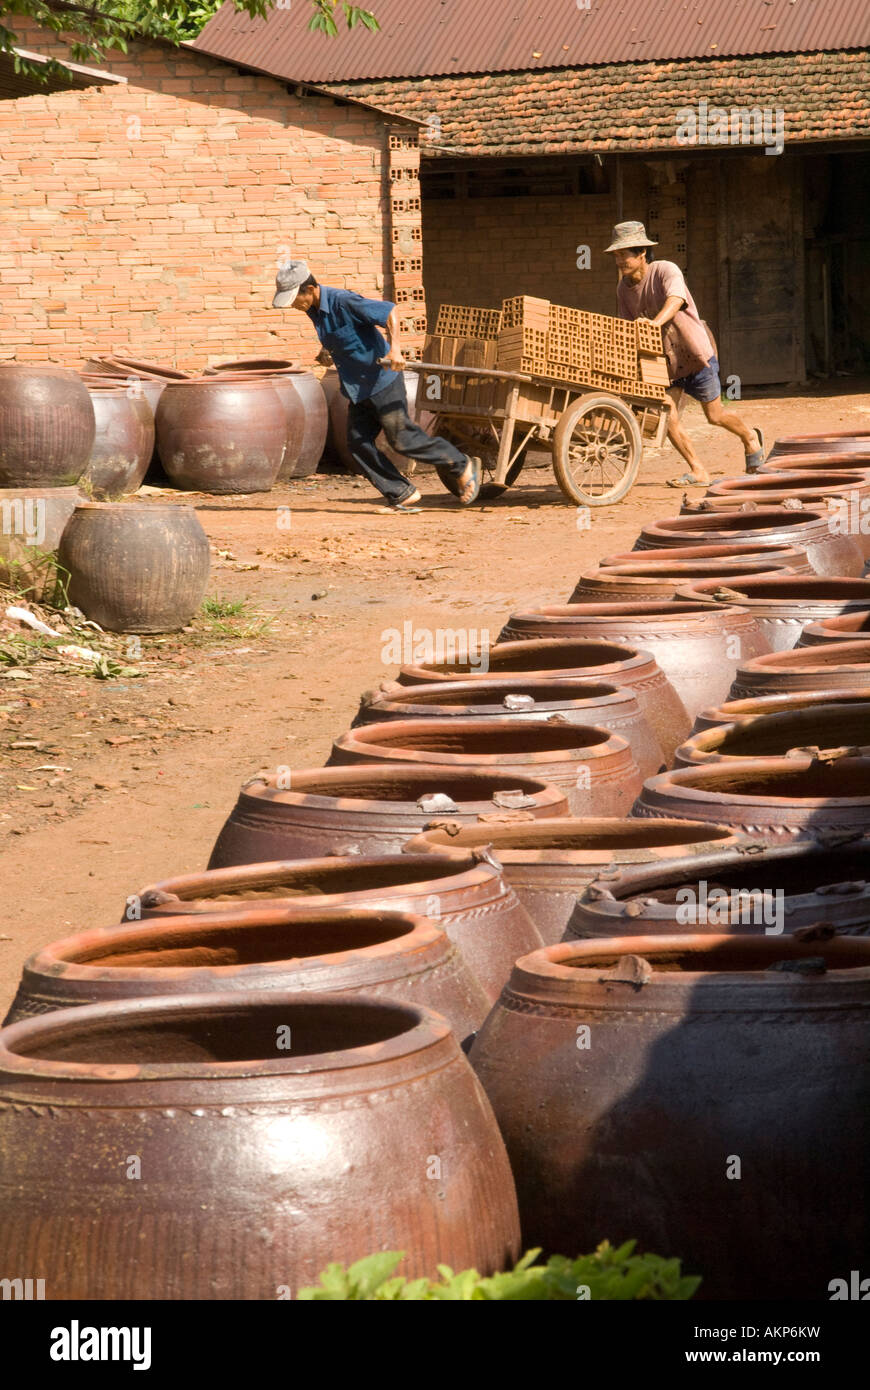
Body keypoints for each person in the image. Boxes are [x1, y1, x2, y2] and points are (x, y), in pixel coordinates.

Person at [272, 260, 481, 512]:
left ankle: (461, 464)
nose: (294, 304)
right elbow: (342, 335)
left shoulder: (343, 301)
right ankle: (402, 493)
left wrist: (395, 350)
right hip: (358, 388)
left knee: (403, 439)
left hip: (383, 381)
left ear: (311, 288)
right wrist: (328, 350)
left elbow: (389, 311)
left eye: (295, 298)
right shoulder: (314, 310)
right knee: (357, 443)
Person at [604, 221, 764, 485]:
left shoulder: (665, 270)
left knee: (715, 416)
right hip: (665, 363)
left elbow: (676, 300)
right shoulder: (623, 289)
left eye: (624, 254)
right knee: (666, 415)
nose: (619, 261)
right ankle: (698, 470)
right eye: (616, 255)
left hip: (695, 354)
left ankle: (750, 437)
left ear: (642, 252)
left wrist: (654, 323)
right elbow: (627, 326)